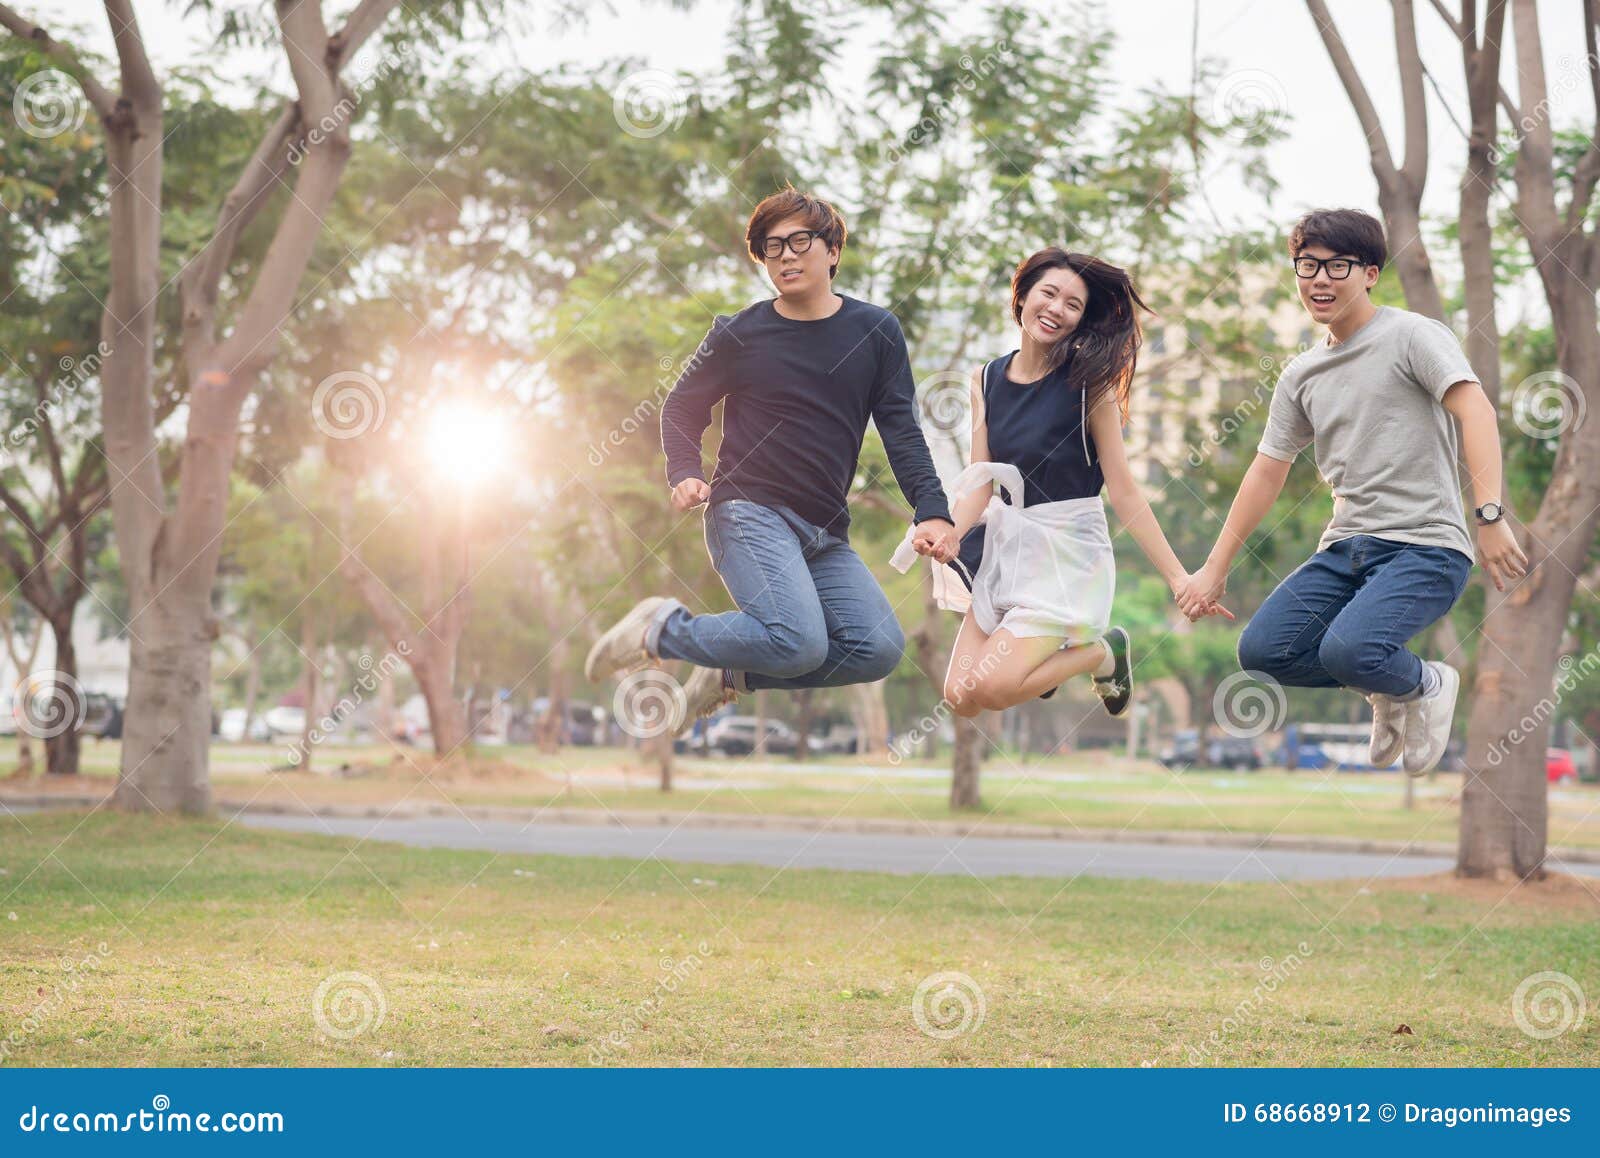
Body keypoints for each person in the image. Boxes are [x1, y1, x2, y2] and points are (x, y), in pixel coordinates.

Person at [584, 188, 956, 732]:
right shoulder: (739, 333)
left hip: (826, 531)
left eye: (799, 241)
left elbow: (901, 431)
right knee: (799, 641)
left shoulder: (876, 332)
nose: (784, 255)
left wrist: (934, 510)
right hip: (748, 509)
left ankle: (732, 673)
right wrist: (685, 470)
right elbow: (681, 408)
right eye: (770, 247)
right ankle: (661, 627)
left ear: (832, 250)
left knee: (876, 648)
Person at [1177, 208, 1528, 775]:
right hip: (1346, 548)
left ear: (1370, 273)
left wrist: (1489, 515)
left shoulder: (1412, 335)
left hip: (1426, 546)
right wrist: (1215, 568)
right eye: (1307, 265)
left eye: (1337, 265)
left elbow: (1477, 411)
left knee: (1348, 650)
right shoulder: (1301, 374)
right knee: (1263, 652)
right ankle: (1387, 684)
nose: (1320, 278)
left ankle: (1423, 682)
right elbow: (1267, 471)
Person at [898, 248, 1229, 719]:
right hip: (1008, 547)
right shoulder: (985, 378)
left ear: (1080, 320)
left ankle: (1103, 652)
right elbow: (981, 483)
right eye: (1048, 294)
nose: (1056, 309)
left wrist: (1179, 578)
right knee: (960, 697)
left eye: (1072, 305)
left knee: (992, 687)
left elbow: (1124, 489)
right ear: (1022, 296)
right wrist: (951, 529)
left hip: (1067, 553)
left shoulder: (1090, 383)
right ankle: (1051, 661)